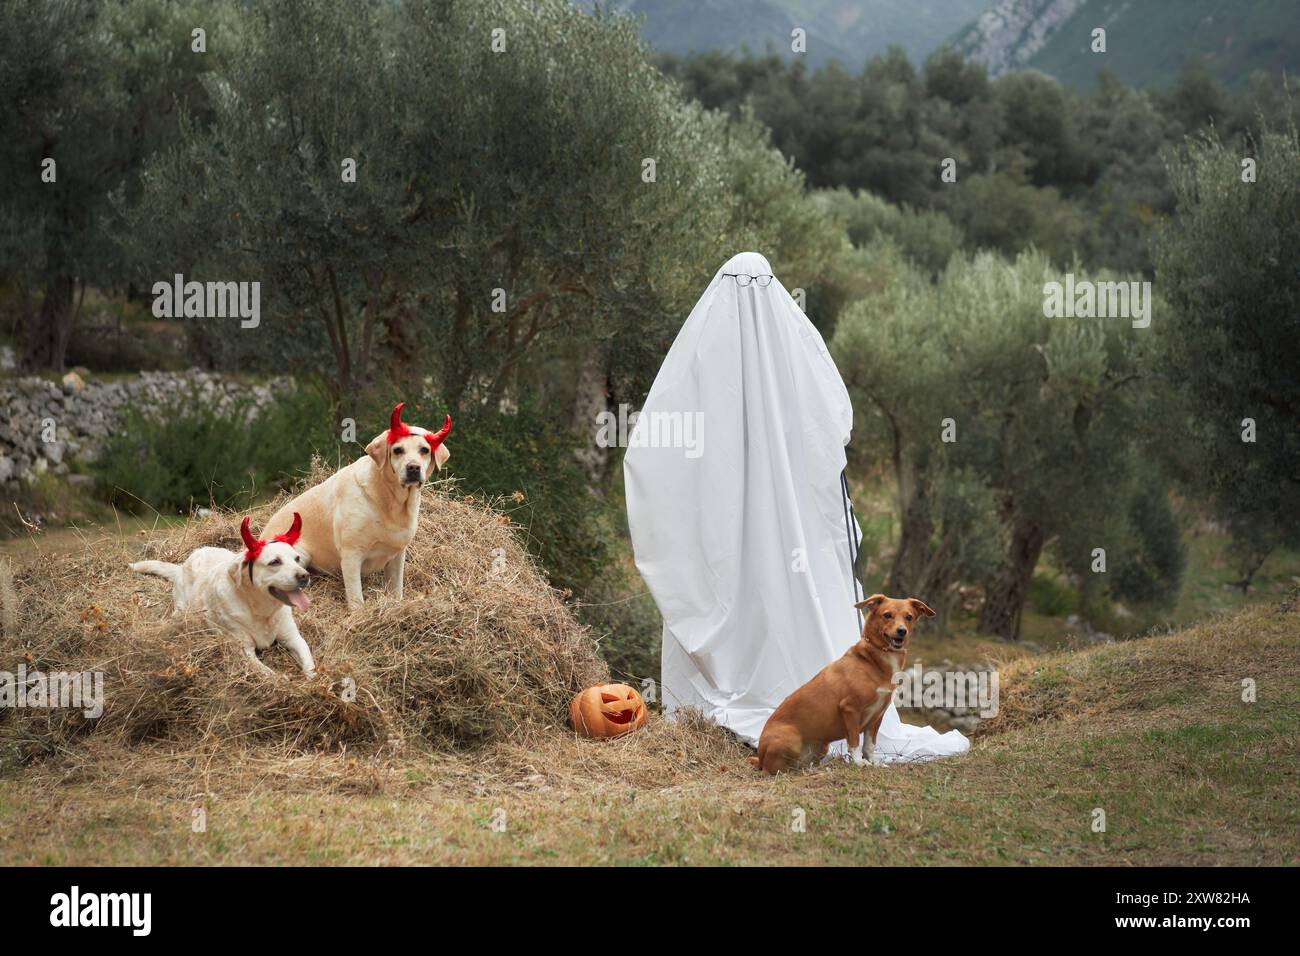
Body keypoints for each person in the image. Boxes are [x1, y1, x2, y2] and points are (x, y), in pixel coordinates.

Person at [625, 252, 968, 763]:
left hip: (788, 528)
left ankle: (811, 715)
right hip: (770, 528)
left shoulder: (730, 360)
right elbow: (830, 424)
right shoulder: (779, 357)